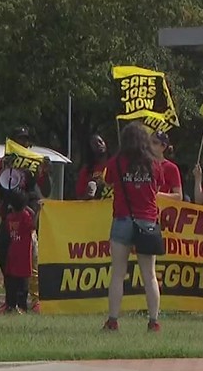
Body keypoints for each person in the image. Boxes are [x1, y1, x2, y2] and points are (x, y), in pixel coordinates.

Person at [103, 122, 165, 332]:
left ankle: (113, 320)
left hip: (122, 219)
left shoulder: (115, 162)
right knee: (150, 275)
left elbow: (108, 182)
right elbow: (158, 186)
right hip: (147, 221)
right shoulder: (154, 163)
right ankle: (153, 321)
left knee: (118, 274)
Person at [0, 126, 45, 313]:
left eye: (25, 140)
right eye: (19, 139)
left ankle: (35, 299)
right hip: (9, 218)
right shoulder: (0, 163)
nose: (23, 143)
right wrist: (5, 170)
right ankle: (10, 300)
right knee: (6, 258)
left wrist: (44, 172)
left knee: (31, 260)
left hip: (27, 218)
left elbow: (44, 189)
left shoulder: (34, 163)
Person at [2, 187, 36, 314]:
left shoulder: (10, 217)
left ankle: (11, 305)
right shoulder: (25, 216)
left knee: (12, 282)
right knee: (23, 284)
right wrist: (32, 210)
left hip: (12, 253)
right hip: (23, 256)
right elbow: (33, 224)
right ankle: (22, 307)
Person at [76, 134, 112, 200]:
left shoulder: (116, 165)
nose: (99, 144)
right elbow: (79, 197)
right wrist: (87, 196)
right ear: (90, 149)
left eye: (100, 141)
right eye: (95, 144)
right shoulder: (86, 171)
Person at [150, 131, 183, 200]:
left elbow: (179, 196)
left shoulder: (171, 168)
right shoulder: (142, 164)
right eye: (149, 142)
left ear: (163, 147)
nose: (150, 145)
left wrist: (156, 194)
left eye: (155, 142)